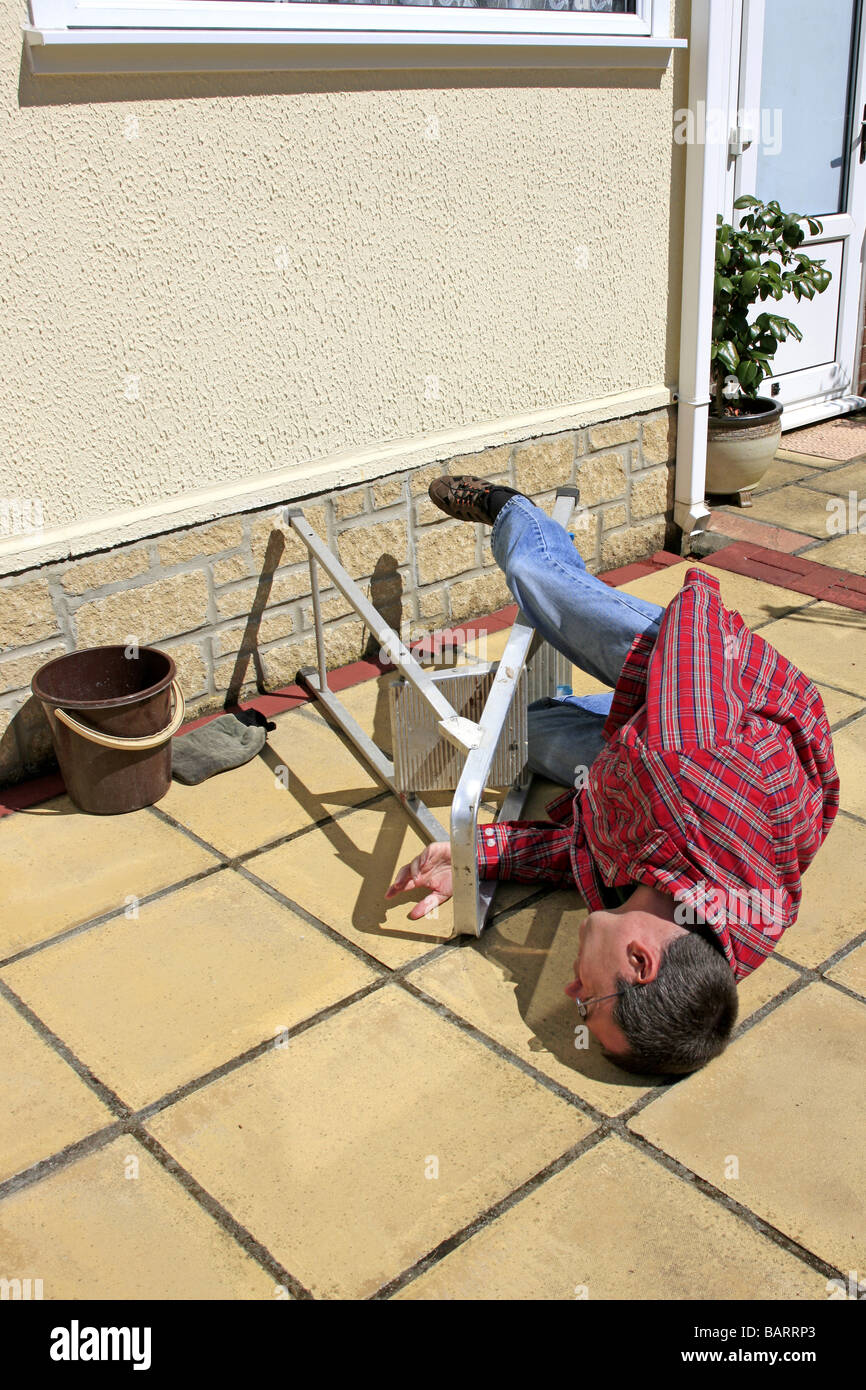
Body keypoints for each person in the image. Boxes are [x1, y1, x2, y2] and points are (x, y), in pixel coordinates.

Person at [385, 475, 840, 1076]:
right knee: (542, 586)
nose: (571, 995)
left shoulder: (693, 946)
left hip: (653, 756)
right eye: (588, 1005)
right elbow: (698, 632)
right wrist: (597, 637)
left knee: (523, 735)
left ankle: (601, 713)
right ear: (639, 962)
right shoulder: (686, 763)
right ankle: (509, 509)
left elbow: (592, 851)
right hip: (714, 680)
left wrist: (474, 854)